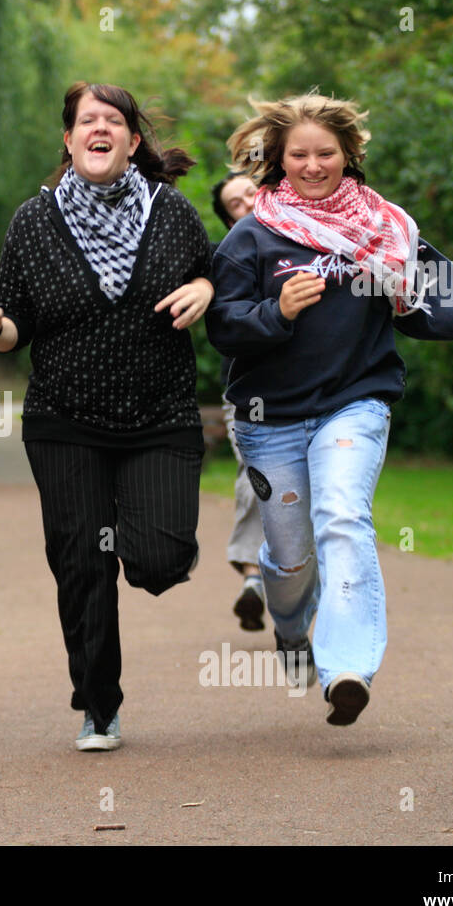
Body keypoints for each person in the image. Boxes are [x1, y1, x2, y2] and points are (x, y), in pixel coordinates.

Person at [206, 93, 453, 725]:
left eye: (326, 153)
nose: (313, 166)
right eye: (299, 155)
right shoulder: (252, 237)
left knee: (342, 516)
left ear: (349, 155)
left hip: (355, 404)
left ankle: (346, 669)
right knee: (289, 559)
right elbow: (225, 329)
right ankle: (291, 627)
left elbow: (432, 298)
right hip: (270, 419)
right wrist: (276, 313)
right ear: (279, 160)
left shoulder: (384, 230)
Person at [0, 82, 213, 751]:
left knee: (158, 560)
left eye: (113, 121)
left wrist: (206, 287)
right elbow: (18, 321)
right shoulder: (34, 222)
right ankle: (98, 705)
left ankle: (153, 551)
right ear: (69, 141)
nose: (98, 128)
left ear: (132, 141)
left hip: (159, 415)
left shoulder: (172, 212)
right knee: (82, 562)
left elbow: (219, 272)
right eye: (85, 121)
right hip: (64, 420)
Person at [210, 172, 267, 630]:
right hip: (248, 389)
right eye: (234, 203)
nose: (245, 203)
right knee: (257, 474)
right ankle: (252, 577)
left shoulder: (313, 237)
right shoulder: (227, 259)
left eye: (250, 191)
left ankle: (292, 584)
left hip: (317, 390)